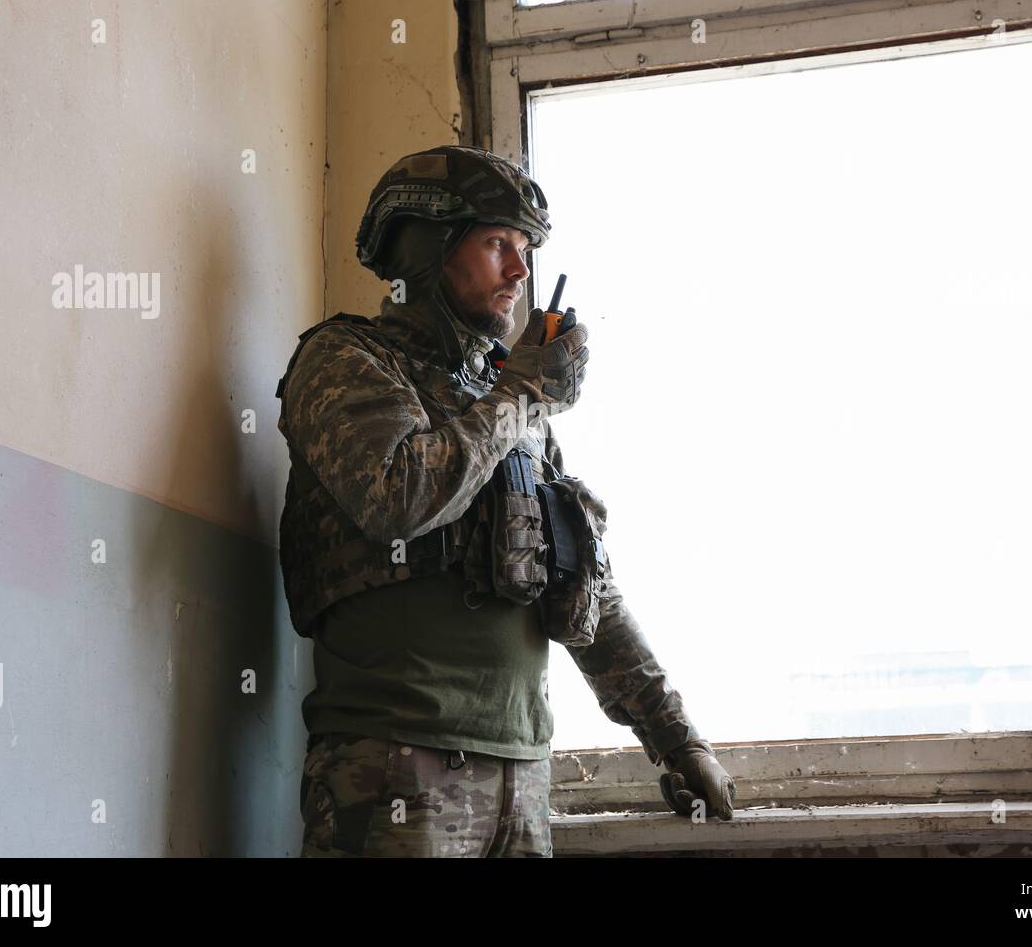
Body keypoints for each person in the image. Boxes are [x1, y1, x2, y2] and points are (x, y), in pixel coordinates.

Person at [276, 145, 734, 857]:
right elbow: (396, 496)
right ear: (425, 251)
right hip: (398, 769)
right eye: (498, 245)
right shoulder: (346, 361)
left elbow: (587, 582)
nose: (520, 273)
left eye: (525, 251)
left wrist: (674, 738)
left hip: (522, 778)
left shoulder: (513, 409)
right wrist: (521, 392)